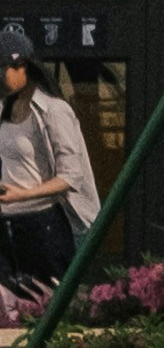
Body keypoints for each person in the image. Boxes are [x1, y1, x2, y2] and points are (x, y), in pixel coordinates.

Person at [0, 46, 98, 284]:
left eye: (3, 70)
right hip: (6, 222)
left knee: (49, 298)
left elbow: (71, 176)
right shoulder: (3, 109)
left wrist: (22, 194)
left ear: (23, 67)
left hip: (43, 223)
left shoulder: (53, 110)